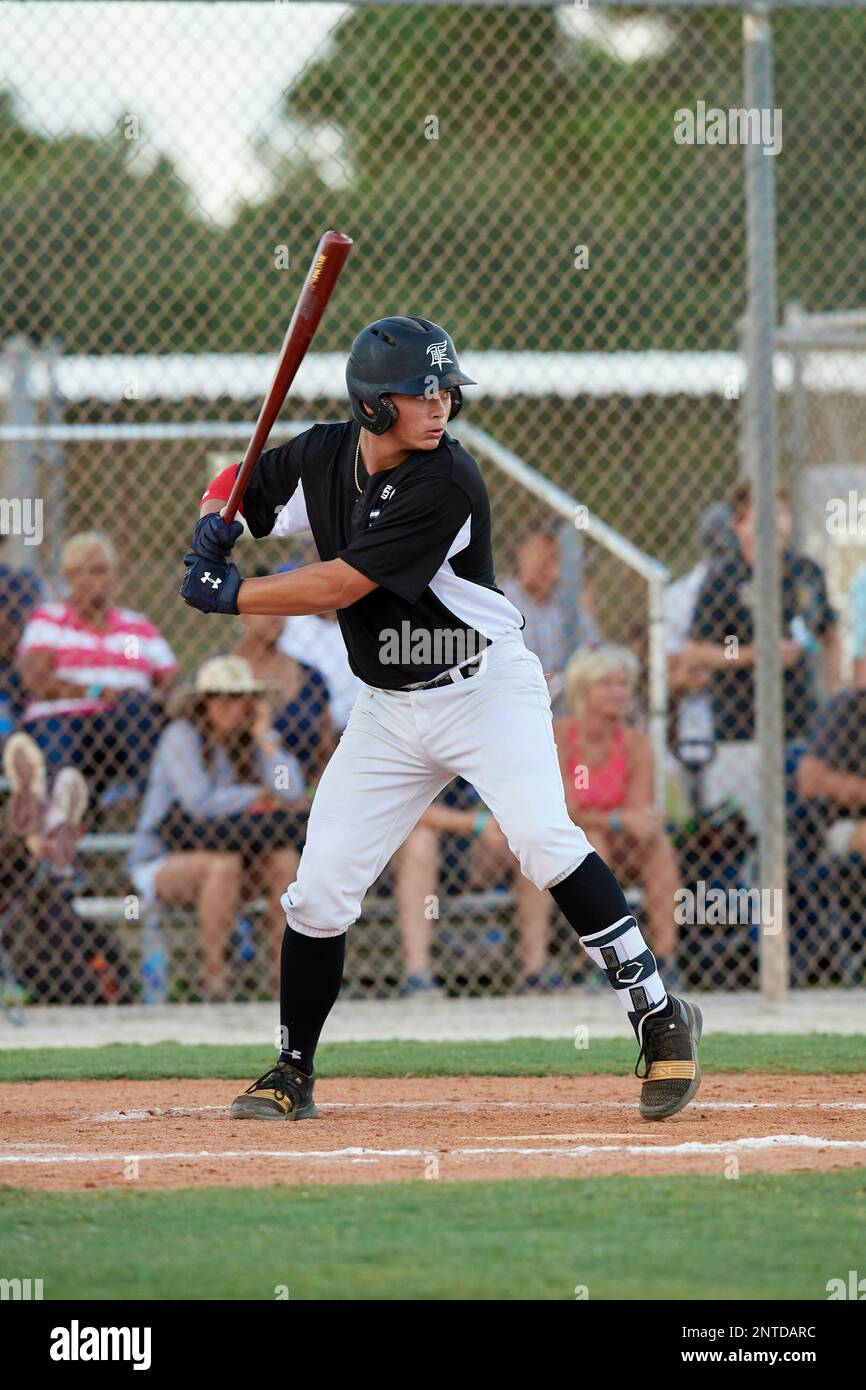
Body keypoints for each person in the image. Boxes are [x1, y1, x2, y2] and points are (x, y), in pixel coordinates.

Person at [181, 314, 702, 1121]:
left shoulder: (446, 481)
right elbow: (240, 481)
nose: (441, 405)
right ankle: (292, 1068)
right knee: (318, 892)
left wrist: (231, 592)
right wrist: (213, 519)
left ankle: (660, 1014)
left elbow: (339, 586)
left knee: (541, 838)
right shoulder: (322, 454)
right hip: (389, 708)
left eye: (446, 391)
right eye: (422, 392)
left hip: (483, 690)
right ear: (373, 406)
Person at [128, 656, 308, 1000]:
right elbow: (199, 802)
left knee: (284, 859)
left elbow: (293, 792)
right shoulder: (179, 737)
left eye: (241, 698)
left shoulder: (250, 742)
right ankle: (215, 981)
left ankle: (283, 981)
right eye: (222, 698)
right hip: (166, 858)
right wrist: (256, 794)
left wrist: (265, 738)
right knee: (222, 865)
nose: (232, 707)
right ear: (203, 703)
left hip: (239, 856)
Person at [687, 480, 839, 833]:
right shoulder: (723, 578)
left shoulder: (806, 572)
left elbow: (829, 635)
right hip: (741, 727)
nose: (776, 522)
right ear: (739, 525)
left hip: (802, 722)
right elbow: (697, 650)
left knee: (803, 828)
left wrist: (831, 696)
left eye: (782, 513)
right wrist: (756, 655)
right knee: (746, 831)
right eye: (763, 514)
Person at [554, 646, 681, 984]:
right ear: (583, 691)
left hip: (623, 846)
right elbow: (565, 812)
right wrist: (613, 820)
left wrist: (624, 822)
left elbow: (637, 815)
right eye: (606, 684)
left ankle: (665, 959)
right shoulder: (559, 737)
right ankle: (601, 964)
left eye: (623, 684)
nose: (618, 692)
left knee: (658, 845)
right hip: (572, 843)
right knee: (591, 841)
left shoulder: (636, 743)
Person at [16, 531, 177, 795]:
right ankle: (64, 816)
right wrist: (96, 692)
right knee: (57, 741)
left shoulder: (134, 627)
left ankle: (156, 807)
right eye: (80, 572)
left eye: (99, 570)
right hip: (63, 717)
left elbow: (168, 681)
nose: (90, 580)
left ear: (114, 577)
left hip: (123, 720)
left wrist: (146, 697)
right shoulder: (50, 620)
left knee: (135, 708)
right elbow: (37, 681)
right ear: (68, 579)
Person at [395, 783, 557, 995]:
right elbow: (407, 811)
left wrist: (497, 827)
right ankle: (417, 972)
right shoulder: (419, 753)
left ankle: (535, 969)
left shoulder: (487, 754)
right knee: (421, 840)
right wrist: (476, 823)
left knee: (530, 840)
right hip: (419, 856)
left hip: (472, 855)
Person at [502, 523, 598, 709]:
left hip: (564, 700)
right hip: (515, 697)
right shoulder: (500, 599)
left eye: (554, 557)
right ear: (521, 553)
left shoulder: (568, 605)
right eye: (541, 555)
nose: (548, 567)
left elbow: (593, 654)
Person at [231, 610, 335, 780]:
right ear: (243, 616)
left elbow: (327, 748)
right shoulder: (220, 674)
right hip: (240, 794)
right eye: (263, 608)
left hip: (303, 789)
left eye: (279, 608)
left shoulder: (310, 676)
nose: (274, 616)